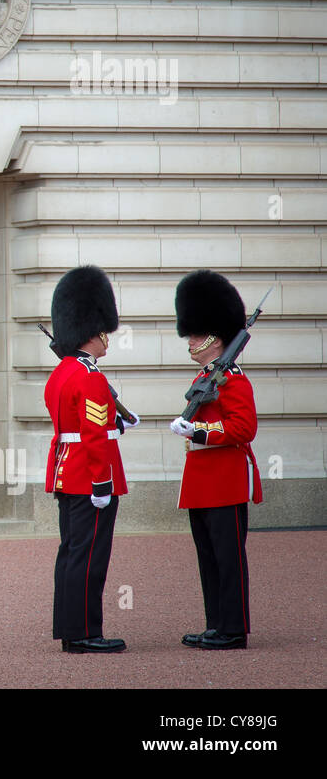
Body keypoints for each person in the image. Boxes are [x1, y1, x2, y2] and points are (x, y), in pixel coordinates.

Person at [171, 269, 261, 650]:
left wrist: (200, 432)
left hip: (224, 480)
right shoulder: (206, 376)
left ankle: (234, 628)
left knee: (228, 559)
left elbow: (244, 428)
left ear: (215, 336)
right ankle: (215, 624)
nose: (190, 340)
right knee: (208, 559)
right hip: (201, 481)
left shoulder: (233, 379)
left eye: (196, 334)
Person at [44, 265, 131, 654]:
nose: (106, 338)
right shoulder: (91, 377)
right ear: (94, 332)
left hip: (67, 474)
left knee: (71, 554)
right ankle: (85, 633)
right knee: (91, 558)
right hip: (90, 478)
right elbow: (94, 435)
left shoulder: (62, 373)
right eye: (103, 332)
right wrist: (102, 484)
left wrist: (117, 422)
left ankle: (70, 629)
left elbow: (80, 424)